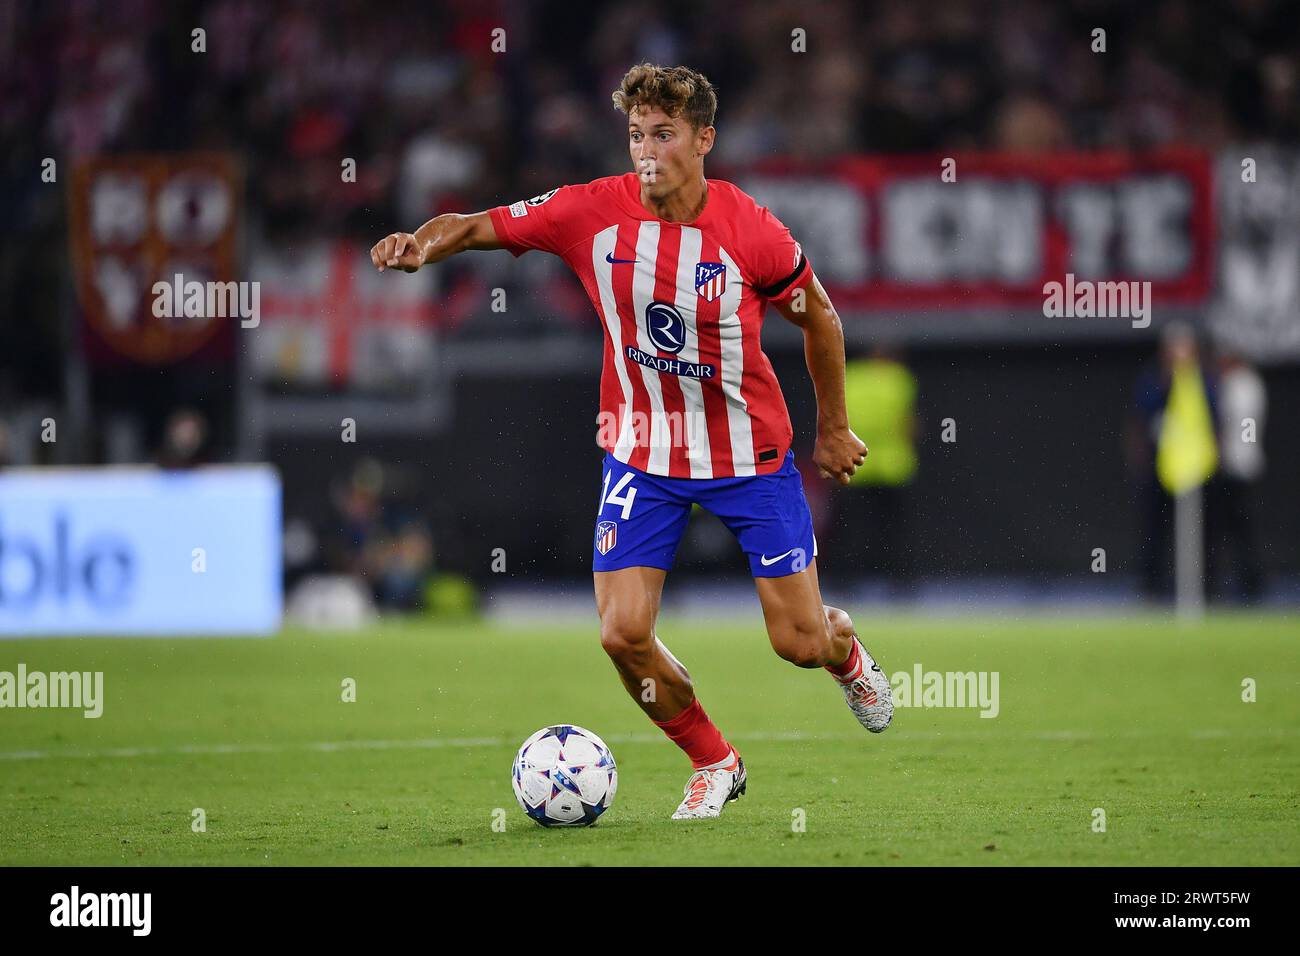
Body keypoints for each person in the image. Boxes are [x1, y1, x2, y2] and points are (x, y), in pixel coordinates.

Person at [370, 63, 893, 820]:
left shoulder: (752, 229)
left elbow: (821, 320)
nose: (647, 150)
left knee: (798, 642)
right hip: (643, 453)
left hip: (749, 457)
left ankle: (846, 653)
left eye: (665, 135)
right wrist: (422, 245)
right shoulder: (588, 211)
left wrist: (836, 425)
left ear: (704, 139)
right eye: (637, 134)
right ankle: (714, 761)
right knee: (621, 634)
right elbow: (480, 224)